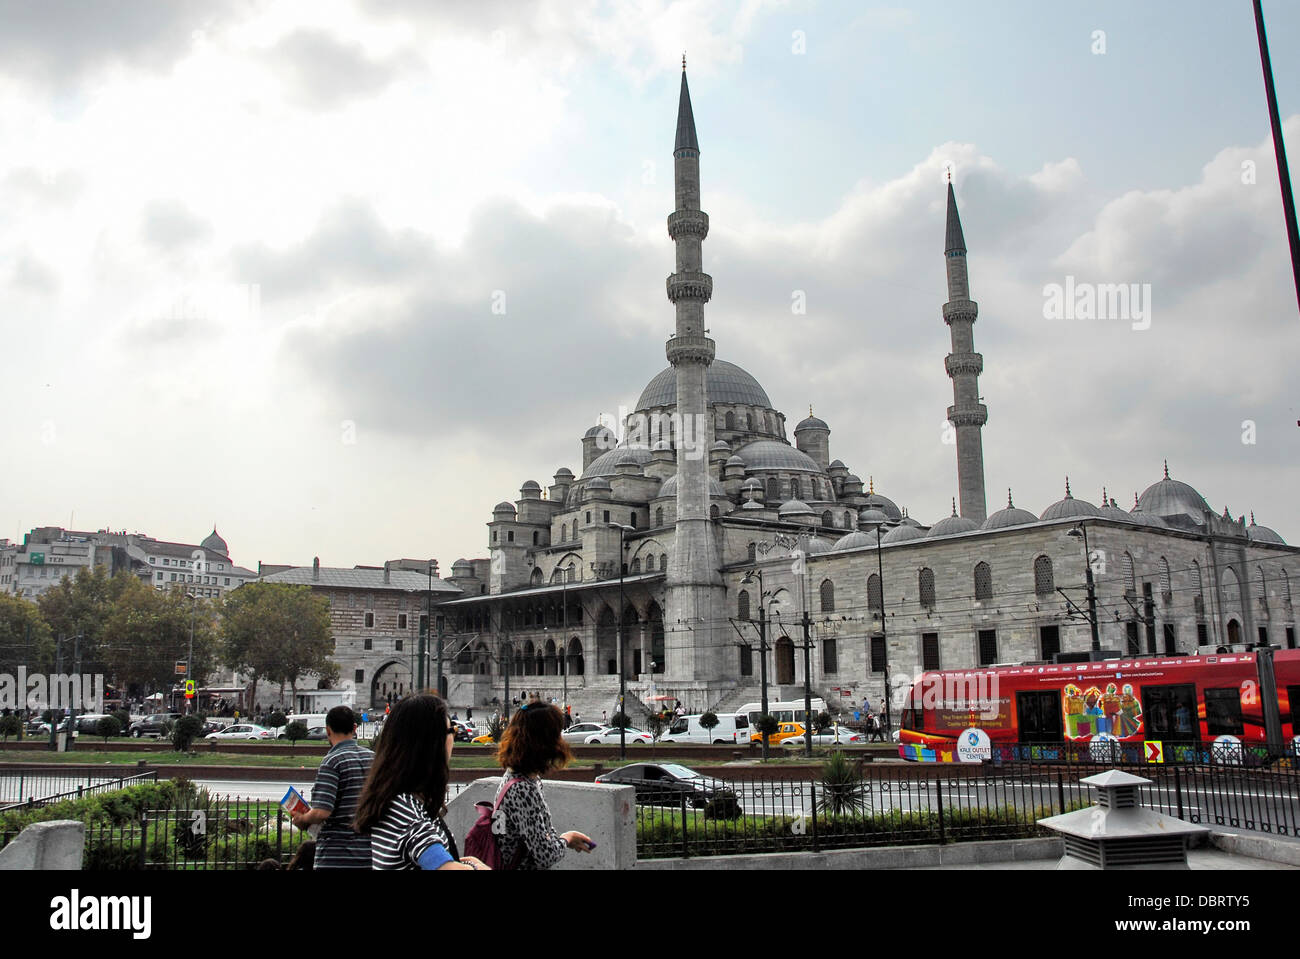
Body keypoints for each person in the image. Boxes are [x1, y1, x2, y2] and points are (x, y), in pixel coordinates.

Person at [354, 694, 488, 870]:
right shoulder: (404, 810)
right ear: (432, 741)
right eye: (451, 730)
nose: (453, 739)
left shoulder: (401, 801)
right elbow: (442, 865)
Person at [493, 702, 594, 870]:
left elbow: (543, 834)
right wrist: (567, 838)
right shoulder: (522, 789)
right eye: (557, 734)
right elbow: (544, 855)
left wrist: (558, 841)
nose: (561, 740)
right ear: (544, 740)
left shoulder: (521, 777)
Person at [290, 706, 374, 869]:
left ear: (328, 730)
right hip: (370, 853)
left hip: (337, 856)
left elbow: (322, 812)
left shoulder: (332, 762)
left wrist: (303, 819)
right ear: (355, 728)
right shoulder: (373, 758)